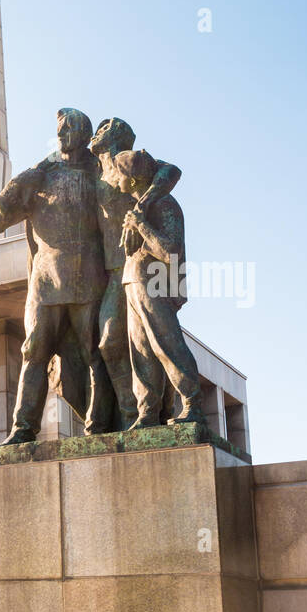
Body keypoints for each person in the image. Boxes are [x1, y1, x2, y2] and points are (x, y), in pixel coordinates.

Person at [0, 107, 108, 439]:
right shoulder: (40, 177)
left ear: (84, 135)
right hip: (46, 283)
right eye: (60, 129)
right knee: (33, 352)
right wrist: (21, 181)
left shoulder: (99, 175)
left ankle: (100, 426)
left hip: (89, 280)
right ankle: (22, 429)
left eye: (70, 129)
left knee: (95, 352)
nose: (63, 135)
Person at [89, 117, 182, 431]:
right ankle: (140, 413)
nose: (94, 134)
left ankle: (166, 408)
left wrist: (141, 209)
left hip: (146, 267)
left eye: (102, 129)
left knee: (161, 339)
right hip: (121, 269)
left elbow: (172, 171)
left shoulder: (131, 163)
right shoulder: (91, 171)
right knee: (129, 344)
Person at [113, 148, 205, 428]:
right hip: (133, 281)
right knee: (140, 350)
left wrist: (140, 224)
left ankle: (192, 403)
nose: (116, 178)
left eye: (120, 172)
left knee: (167, 343)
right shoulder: (140, 204)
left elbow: (171, 250)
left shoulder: (164, 205)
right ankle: (147, 413)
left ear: (133, 177)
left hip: (154, 281)